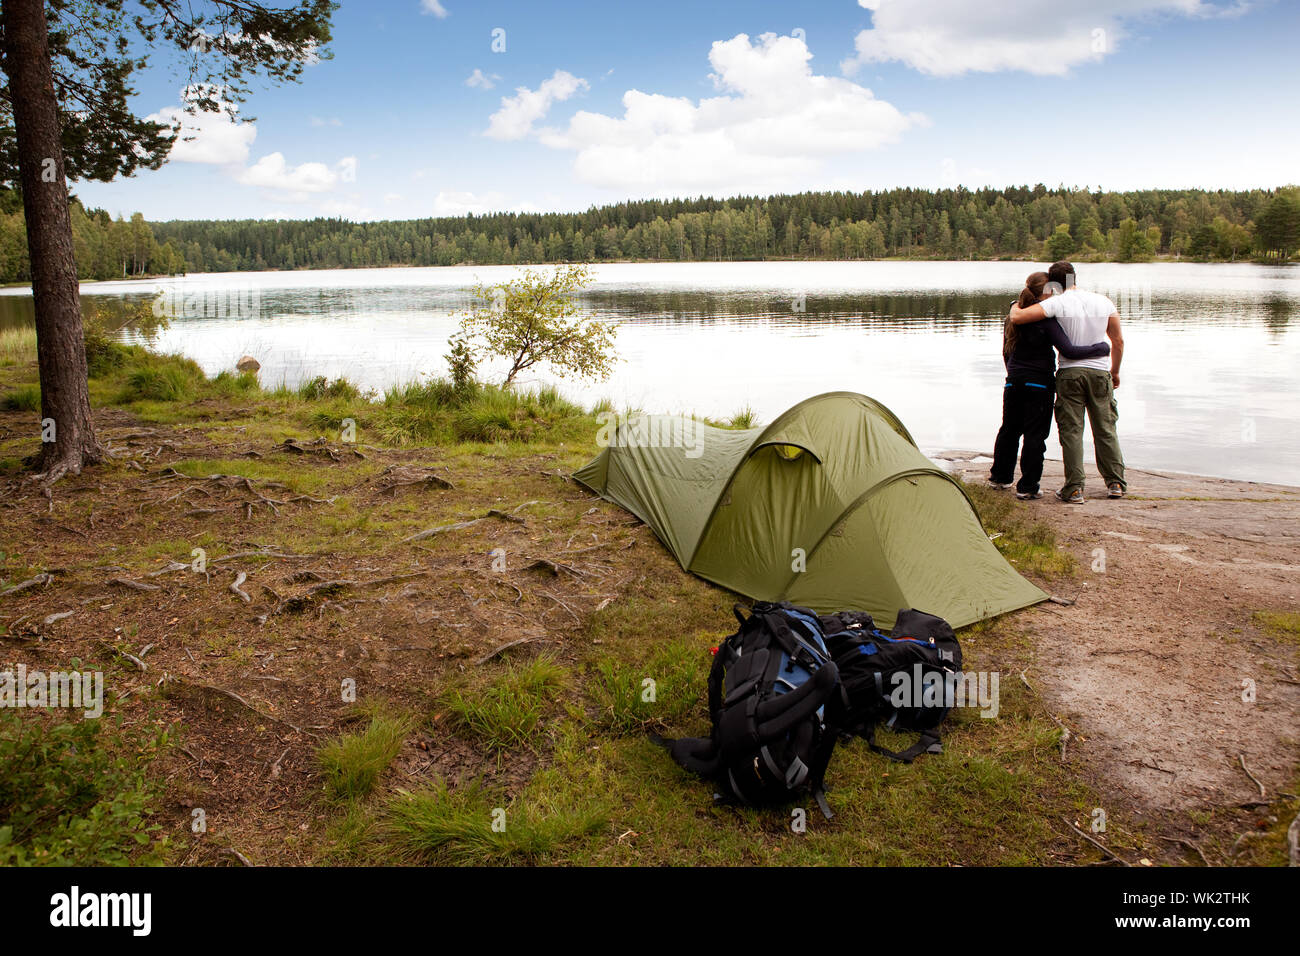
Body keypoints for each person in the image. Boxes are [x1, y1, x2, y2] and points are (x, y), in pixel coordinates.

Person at [1009, 260, 1126, 503]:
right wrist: (1114, 372)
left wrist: (1013, 306)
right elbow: (1118, 341)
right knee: (1105, 428)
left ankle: (1074, 488)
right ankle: (1115, 483)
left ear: (1053, 282)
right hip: (1099, 372)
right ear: (1074, 277)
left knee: (1072, 431)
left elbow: (1018, 318)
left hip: (1070, 374)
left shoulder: (1055, 303)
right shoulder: (1103, 302)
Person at [989, 271, 1110, 499]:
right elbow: (1069, 351)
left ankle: (1000, 478)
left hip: (1013, 381)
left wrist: (1013, 373)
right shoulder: (1046, 319)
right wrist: (1101, 348)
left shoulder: (1013, 316)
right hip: (1040, 384)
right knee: (1035, 435)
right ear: (1048, 292)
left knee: (1009, 429)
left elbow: (1006, 352)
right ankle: (1028, 487)